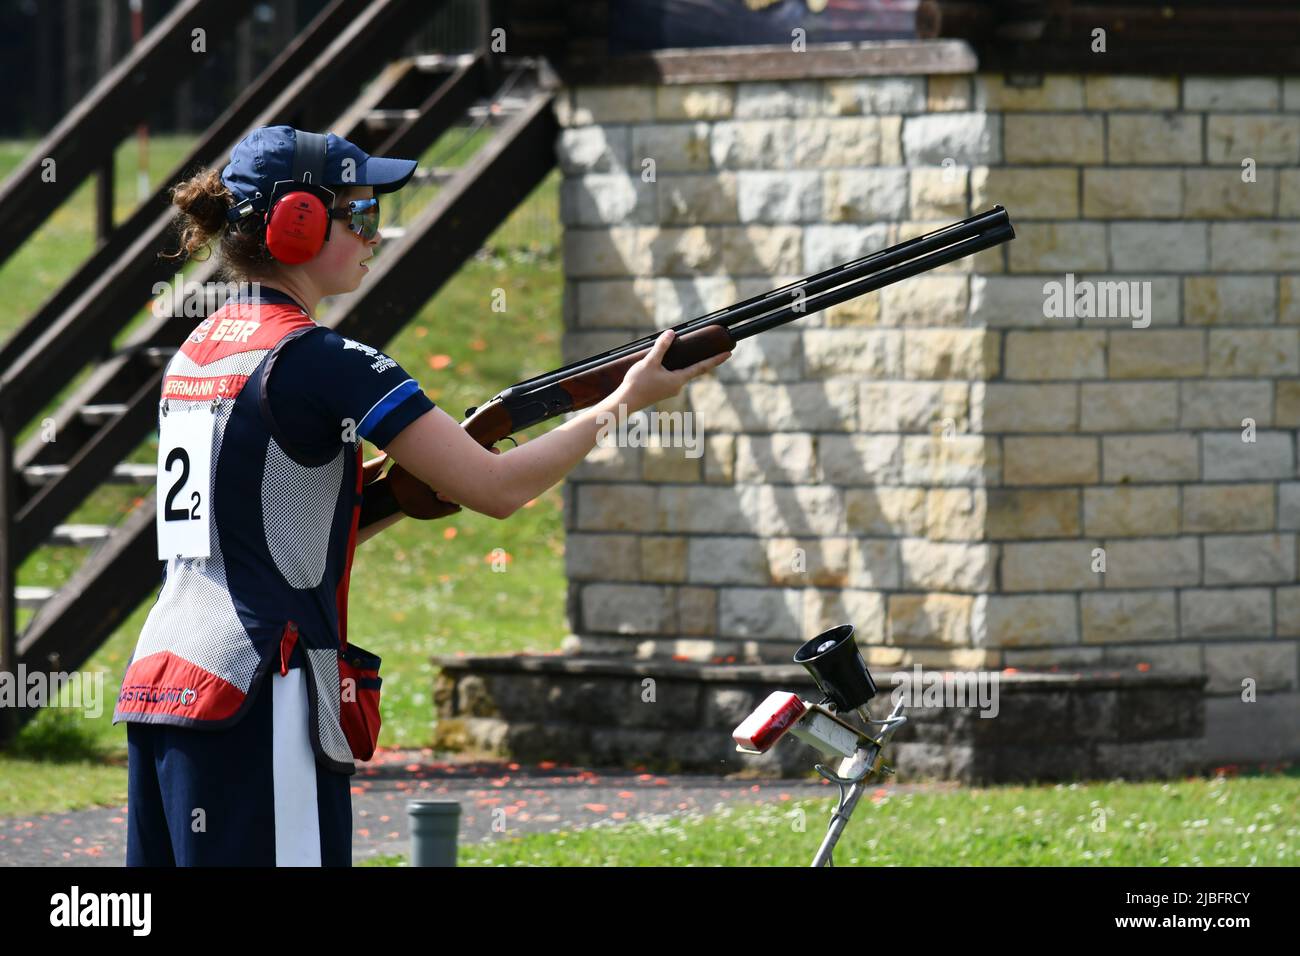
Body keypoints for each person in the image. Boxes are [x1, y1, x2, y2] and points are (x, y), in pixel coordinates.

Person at [112, 125, 730, 866]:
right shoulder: (319, 359)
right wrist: (624, 402)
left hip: (166, 682)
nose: (378, 235)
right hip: (260, 692)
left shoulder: (200, 349)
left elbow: (260, 526)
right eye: (363, 216)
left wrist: (395, 495)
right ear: (297, 224)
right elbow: (499, 489)